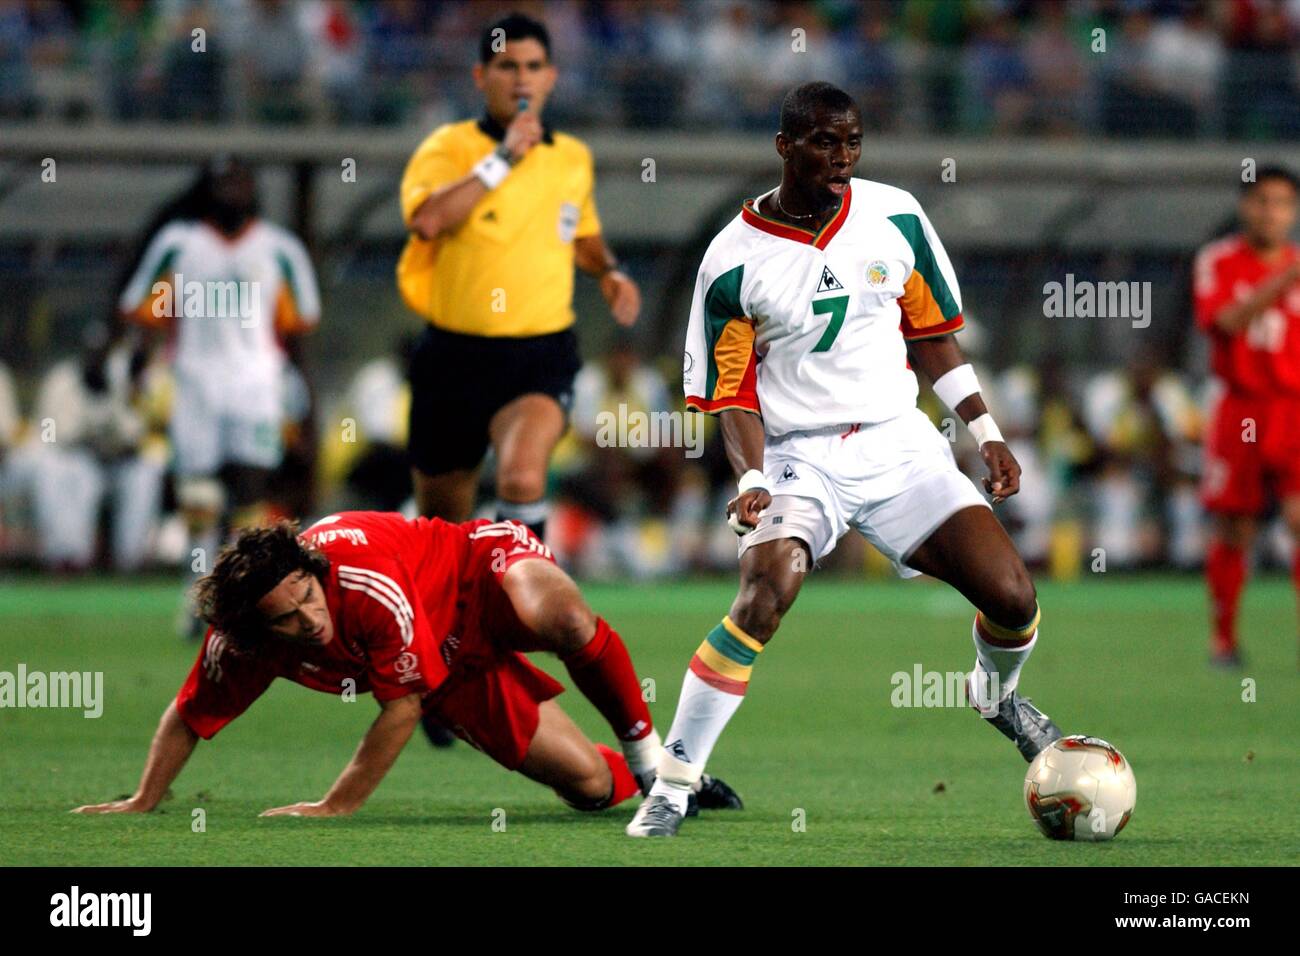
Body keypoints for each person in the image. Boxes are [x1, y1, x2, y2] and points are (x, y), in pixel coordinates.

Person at [627, 82, 1062, 838]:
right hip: (801, 457)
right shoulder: (732, 259)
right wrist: (753, 478)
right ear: (784, 145)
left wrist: (984, 431)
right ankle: (672, 783)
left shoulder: (895, 215)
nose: (842, 158)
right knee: (766, 592)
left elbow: (931, 335)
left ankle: (996, 696)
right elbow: (731, 391)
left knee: (1015, 598)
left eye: (853, 142)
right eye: (825, 142)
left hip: (900, 441)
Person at [74, 511, 740, 818]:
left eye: (308, 595)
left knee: (561, 619)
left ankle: (662, 766)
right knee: (591, 788)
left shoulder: (361, 584)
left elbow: (400, 707)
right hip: (444, 671)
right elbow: (190, 715)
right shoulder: (240, 643)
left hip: (472, 577)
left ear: (312, 574)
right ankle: (634, 778)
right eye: (287, 618)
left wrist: (336, 807)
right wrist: (142, 802)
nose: (308, 618)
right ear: (256, 629)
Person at [397, 11, 639, 543]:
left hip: (538, 353)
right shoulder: (449, 147)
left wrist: (612, 271)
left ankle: (521, 613)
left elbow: (582, 234)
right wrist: (503, 158)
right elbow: (429, 219)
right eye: (508, 66)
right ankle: (457, 619)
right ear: (481, 77)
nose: (522, 78)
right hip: (453, 355)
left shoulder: (571, 158)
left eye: (534, 66)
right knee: (440, 521)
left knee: (523, 476)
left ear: (551, 76)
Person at [117, 156, 320, 638]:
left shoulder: (279, 248)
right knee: (198, 498)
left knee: (249, 492)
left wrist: (305, 401)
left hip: (257, 385)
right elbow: (142, 308)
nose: (232, 190)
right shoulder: (178, 243)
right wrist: (139, 362)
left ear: (253, 189)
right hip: (195, 381)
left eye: (241, 180)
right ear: (206, 189)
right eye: (223, 181)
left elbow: (298, 326)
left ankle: (241, 597)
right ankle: (195, 595)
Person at [1194, 166, 1300, 667]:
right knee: (1235, 529)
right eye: (1261, 201)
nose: (1270, 212)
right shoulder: (1219, 262)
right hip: (1240, 408)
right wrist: (1285, 280)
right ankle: (1224, 640)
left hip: (1294, 408)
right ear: (1244, 206)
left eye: (1281, 203)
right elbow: (1226, 322)